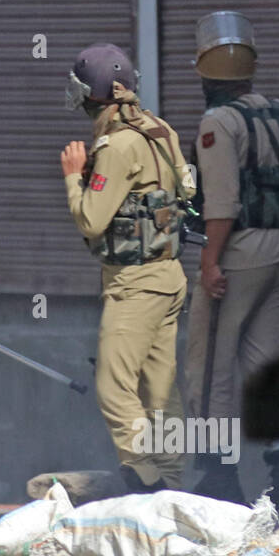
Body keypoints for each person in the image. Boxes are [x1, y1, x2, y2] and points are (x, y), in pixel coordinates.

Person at [182, 11, 279, 508]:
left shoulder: (217, 124)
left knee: (213, 361)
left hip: (238, 253)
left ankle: (220, 476)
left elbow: (222, 204)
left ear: (203, 69)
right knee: (268, 363)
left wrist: (211, 262)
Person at [61, 43, 194, 492]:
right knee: (160, 391)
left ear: (92, 96)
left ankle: (145, 474)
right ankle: (172, 478)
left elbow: (92, 219)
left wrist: (74, 177)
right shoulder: (160, 129)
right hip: (169, 275)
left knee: (114, 386)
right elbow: (188, 192)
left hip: (135, 283)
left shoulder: (116, 146)